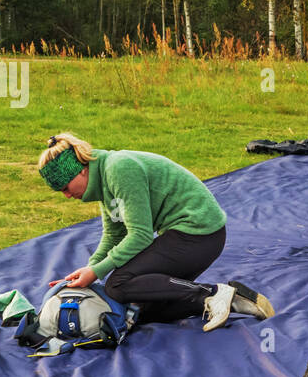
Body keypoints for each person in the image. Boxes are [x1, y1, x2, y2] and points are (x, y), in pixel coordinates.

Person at [38, 133, 274, 331]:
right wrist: (89, 271)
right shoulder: (102, 179)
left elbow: (140, 235)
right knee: (145, 308)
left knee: (118, 285)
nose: (67, 196)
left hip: (199, 234)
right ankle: (231, 301)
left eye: (65, 188)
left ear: (79, 171)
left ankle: (215, 292)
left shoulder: (118, 169)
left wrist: (97, 271)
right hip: (188, 237)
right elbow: (113, 235)